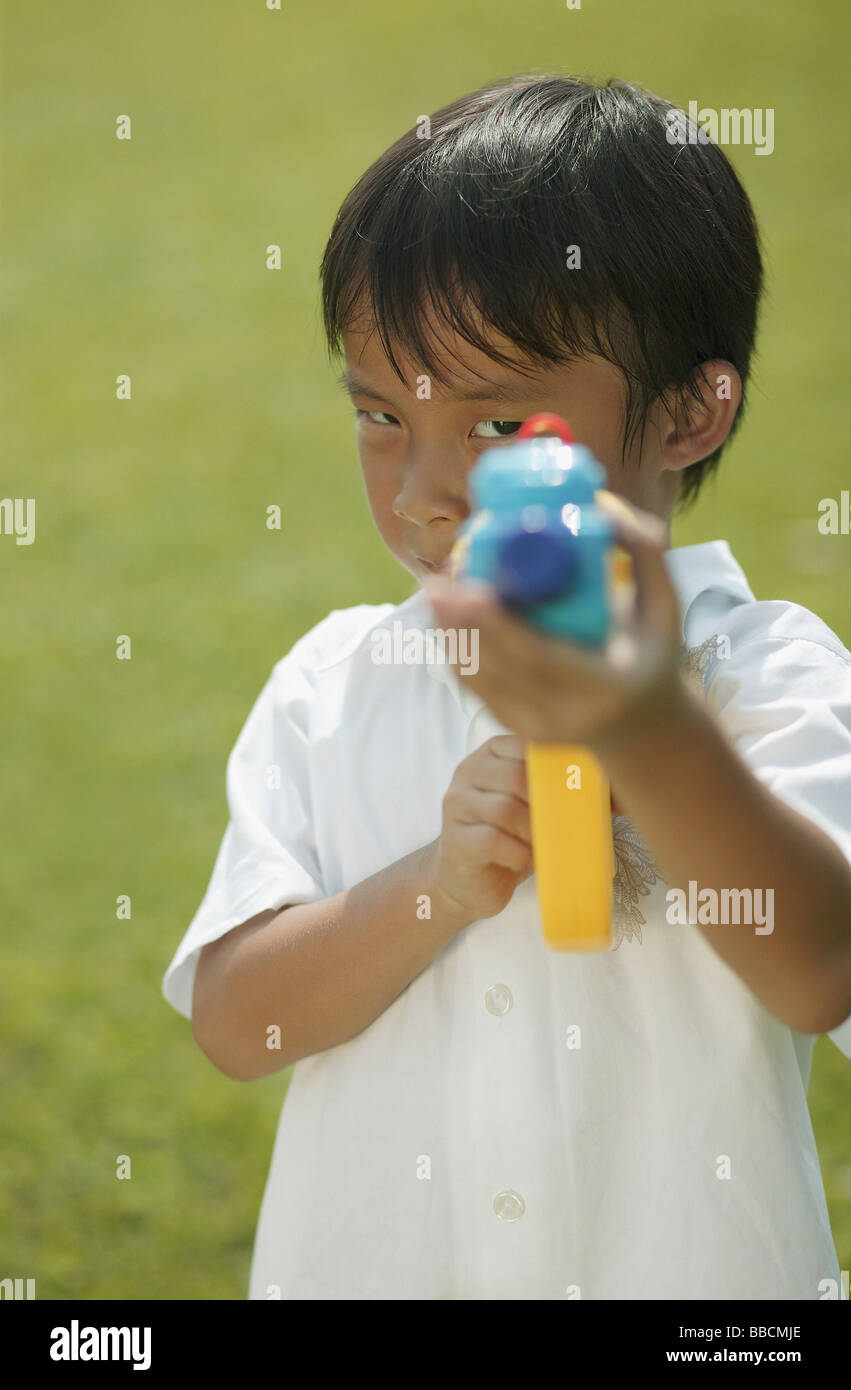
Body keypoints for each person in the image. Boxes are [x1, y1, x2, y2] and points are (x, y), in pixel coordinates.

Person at [162, 74, 851, 1300]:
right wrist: (431, 886)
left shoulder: (758, 673)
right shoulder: (336, 687)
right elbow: (237, 1022)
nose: (424, 488)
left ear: (691, 409)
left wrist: (647, 731)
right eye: (381, 413)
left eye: (494, 429)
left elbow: (819, 968)